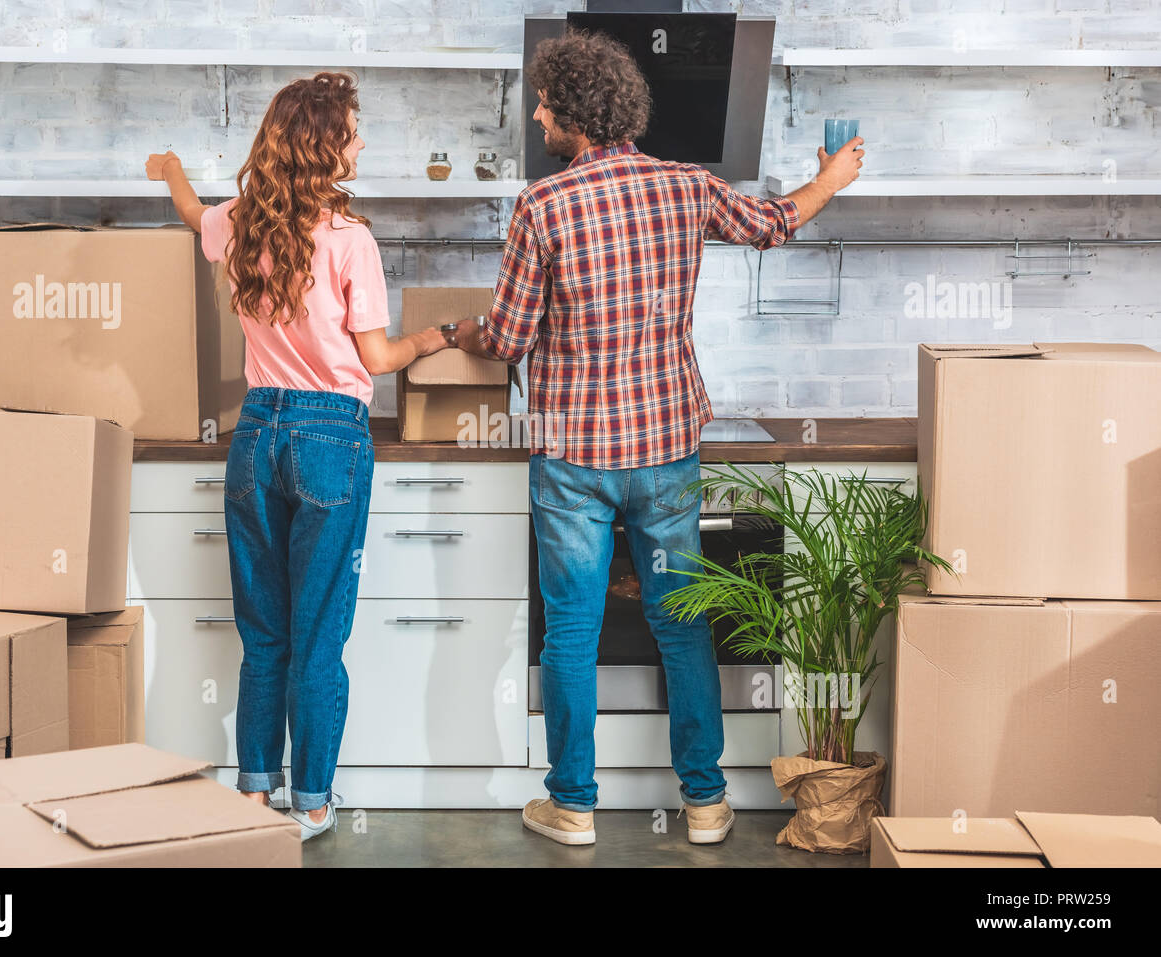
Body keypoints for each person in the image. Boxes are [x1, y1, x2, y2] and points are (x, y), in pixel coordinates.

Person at [449, 29, 864, 847]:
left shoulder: (543, 206)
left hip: (573, 455)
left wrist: (461, 330)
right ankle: (706, 802)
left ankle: (573, 804)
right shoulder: (684, 186)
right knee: (680, 620)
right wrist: (830, 181)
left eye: (543, 104)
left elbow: (507, 338)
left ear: (575, 113)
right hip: (666, 447)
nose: (535, 116)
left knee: (571, 629)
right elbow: (774, 224)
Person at [146, 72, 447, 842]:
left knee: (265, 633)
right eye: (354, 128)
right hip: (329, 440)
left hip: (255, 435)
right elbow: (377, 357)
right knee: (318, 634)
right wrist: (439, 338)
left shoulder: (243, 221)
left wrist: (171, 169)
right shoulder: (351, 240)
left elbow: (190, 216)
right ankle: (311, 802)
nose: (363, 140)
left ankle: (252, 793)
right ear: (326, 144)